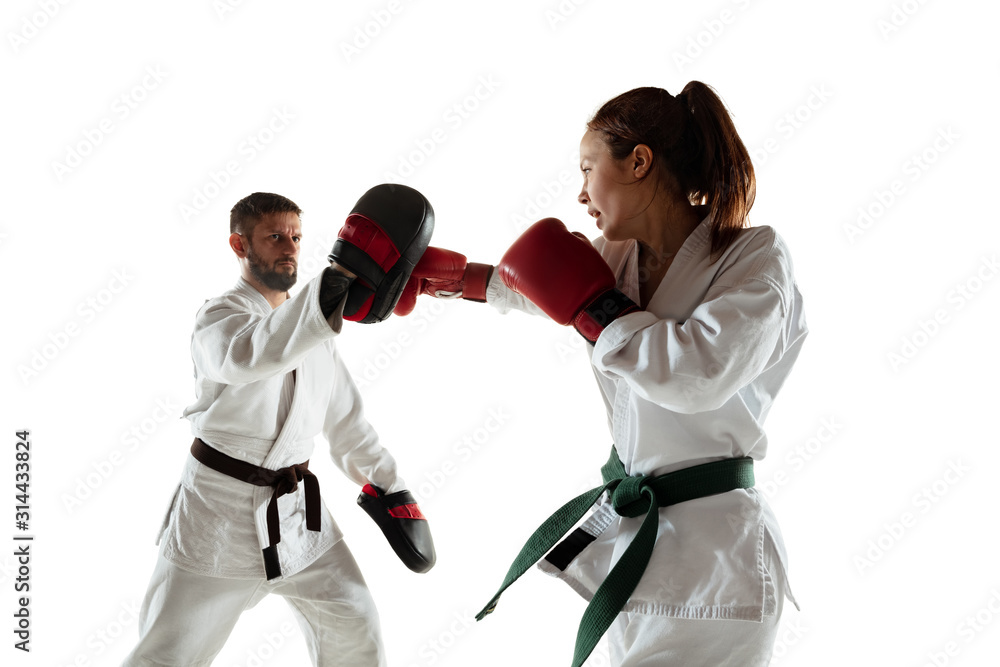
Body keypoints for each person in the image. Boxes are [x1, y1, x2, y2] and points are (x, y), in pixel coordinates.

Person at [396, 83, 808, 666]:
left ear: (638, 162)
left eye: (588, 168)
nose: (581, 192)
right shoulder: (619, 260)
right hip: (641, 541)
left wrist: (595, 309)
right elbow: (540, 288)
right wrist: (450, 278)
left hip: (718, 559)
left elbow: (695, 375)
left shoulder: (754, 257)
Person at [123, 190, 434, 667]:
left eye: (295, 236)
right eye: (274, 236)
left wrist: (392, 488)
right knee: (168, 653)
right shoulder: (221, 318)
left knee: (354, 623)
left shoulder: (314, 329)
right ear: (239, 245)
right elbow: (250, 354)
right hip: (217, 513)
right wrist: (332, 285)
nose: (289, 247)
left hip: (296, 514)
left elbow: (347, 423)